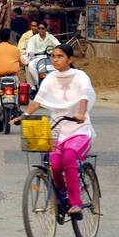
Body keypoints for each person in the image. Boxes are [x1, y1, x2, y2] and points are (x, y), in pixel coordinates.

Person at [21, 43, 96, 217]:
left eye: (60, 56)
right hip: (57, 130)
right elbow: (38, 100)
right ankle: (63, 196)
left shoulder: (80, 76)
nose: (55, 59)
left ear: (69, 59)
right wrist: (23, 116)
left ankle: (76, 203)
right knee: (54, 164)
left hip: (79, 130)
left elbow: (84, 96)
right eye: (53, 56)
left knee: (69, 156)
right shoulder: (50, 78)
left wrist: (81, 114)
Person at [21, 19, 60, 87]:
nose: (41, 30)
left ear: (46, 29)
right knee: (31, 66)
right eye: (39, 28)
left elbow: (58, 45)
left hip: (49, 57)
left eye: (43, 28)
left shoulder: (50, 37)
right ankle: (38, 83)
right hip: (37, 58)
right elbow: (30, 48)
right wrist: (31, 52)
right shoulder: (33, 38)